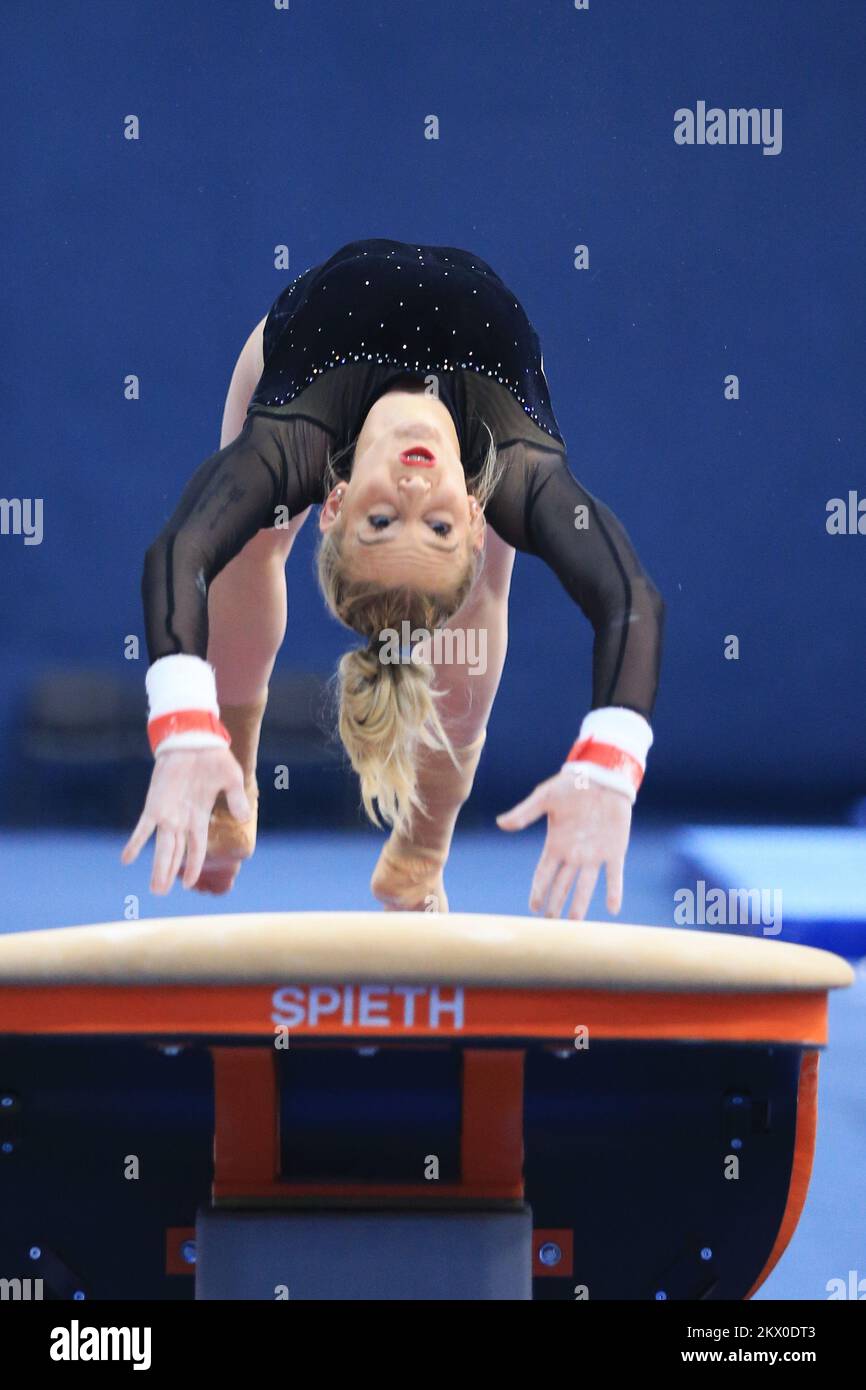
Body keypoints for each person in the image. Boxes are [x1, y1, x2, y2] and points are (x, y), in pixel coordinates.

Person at [121, 238, 664, 918]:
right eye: (437, 528)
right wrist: (609, 768)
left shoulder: (292, 443)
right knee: (479, 592)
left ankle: (411, 851)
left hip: (290, 352)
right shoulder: (517, 468)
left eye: (381, 521)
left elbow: (179, 551)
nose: (414, 488)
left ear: (338, 502)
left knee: (242, 541)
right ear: (471, 512)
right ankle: (260, 793)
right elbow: (630, 600)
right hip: (491, 406)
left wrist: (183, 730)